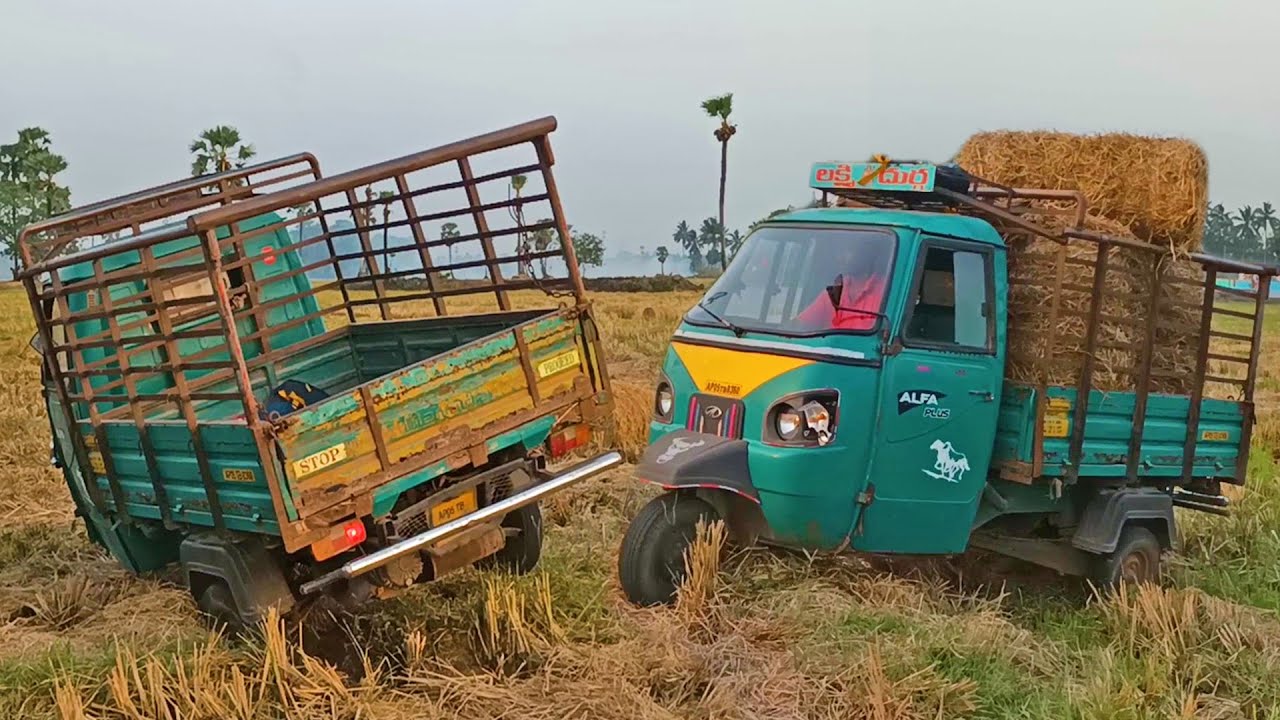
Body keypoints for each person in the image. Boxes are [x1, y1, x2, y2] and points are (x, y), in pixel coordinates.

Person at [794, 242, 886, 331]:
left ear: (866, 254)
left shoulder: (886, 291)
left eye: (847, 251)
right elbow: (801, 324)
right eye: (839, 252)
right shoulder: (837, 290)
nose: (840, 258)